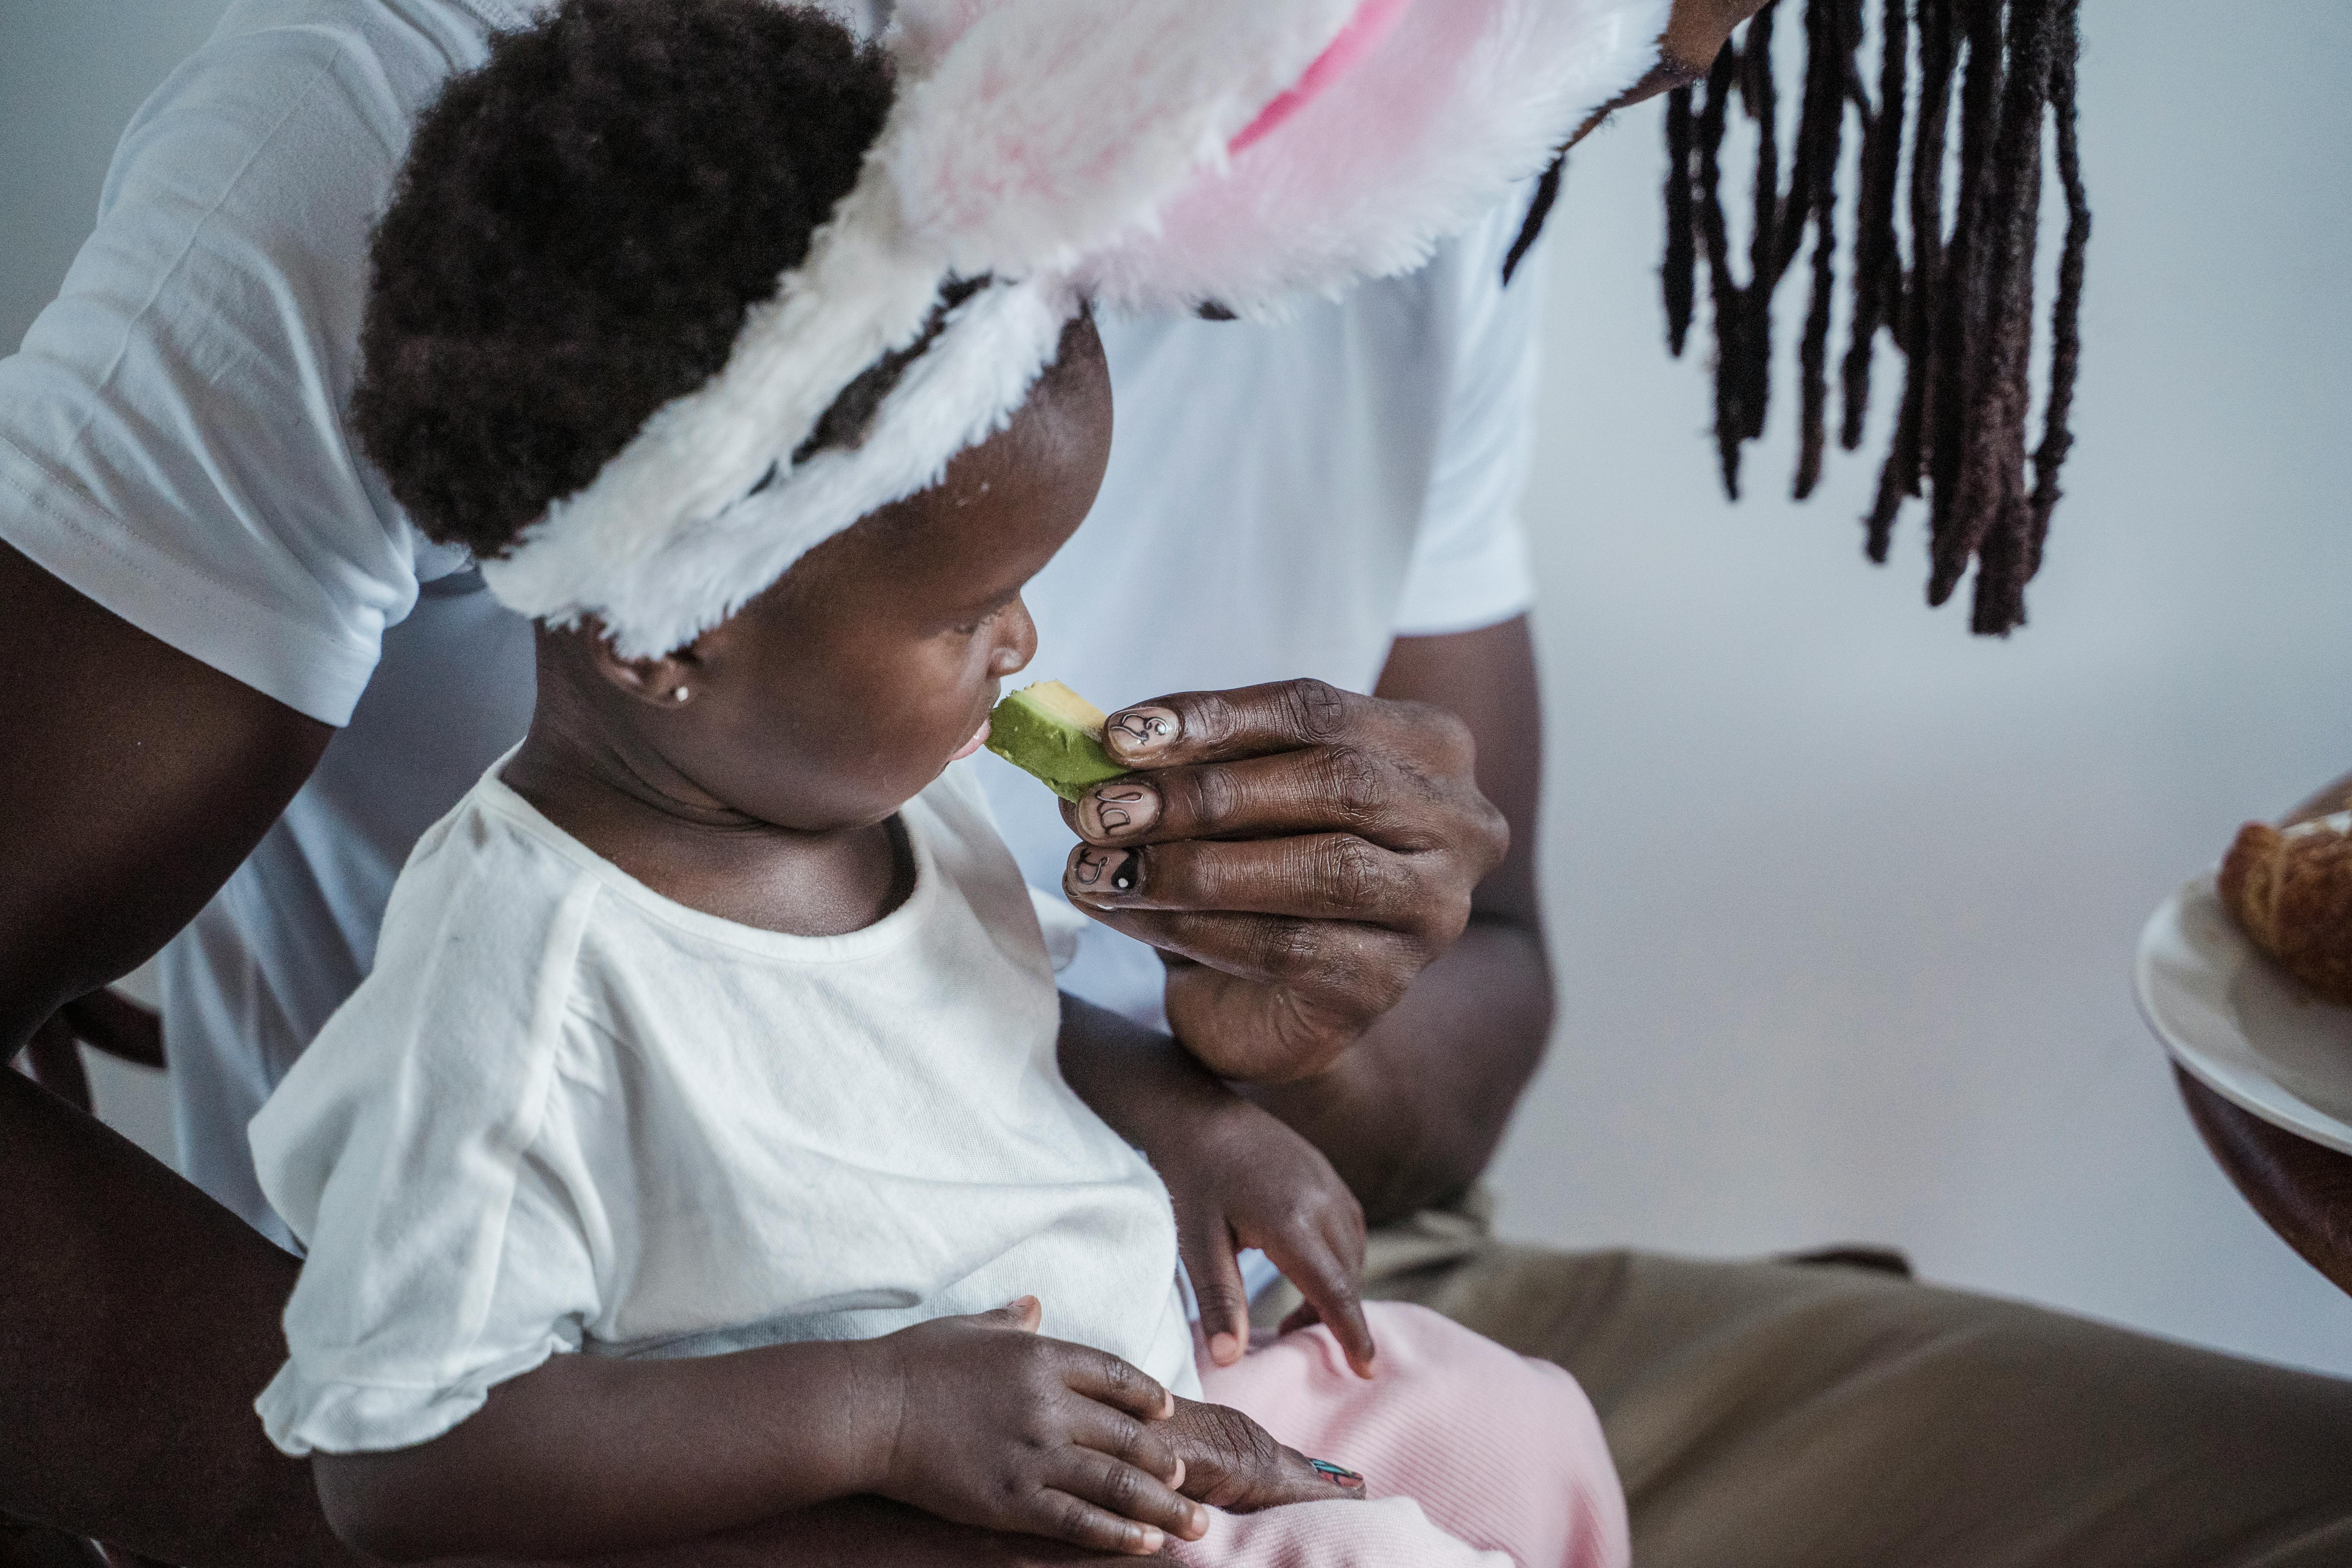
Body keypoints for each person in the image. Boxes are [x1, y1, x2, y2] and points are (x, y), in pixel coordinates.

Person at [2, 0, 2350, 1565]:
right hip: (663, 1435)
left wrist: (1254, 1060)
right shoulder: (460, 176)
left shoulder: (1431, 181)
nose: (1688, 50)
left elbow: (1398, 1028)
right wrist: (849, 1464)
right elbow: (392, 1444)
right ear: (662, 624)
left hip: (1143, 1313)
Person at [240, 11, 1630, 1563]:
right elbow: (405, 1464)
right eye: (970, 613)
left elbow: (1005, 1030)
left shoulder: (898, 808)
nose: (1027, 642)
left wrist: (1198, 1123)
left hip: (1130, 1391)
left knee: (1519, 1428)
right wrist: (885, 1415)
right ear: (676, 633)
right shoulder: (517, 984)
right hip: (941, 1509)